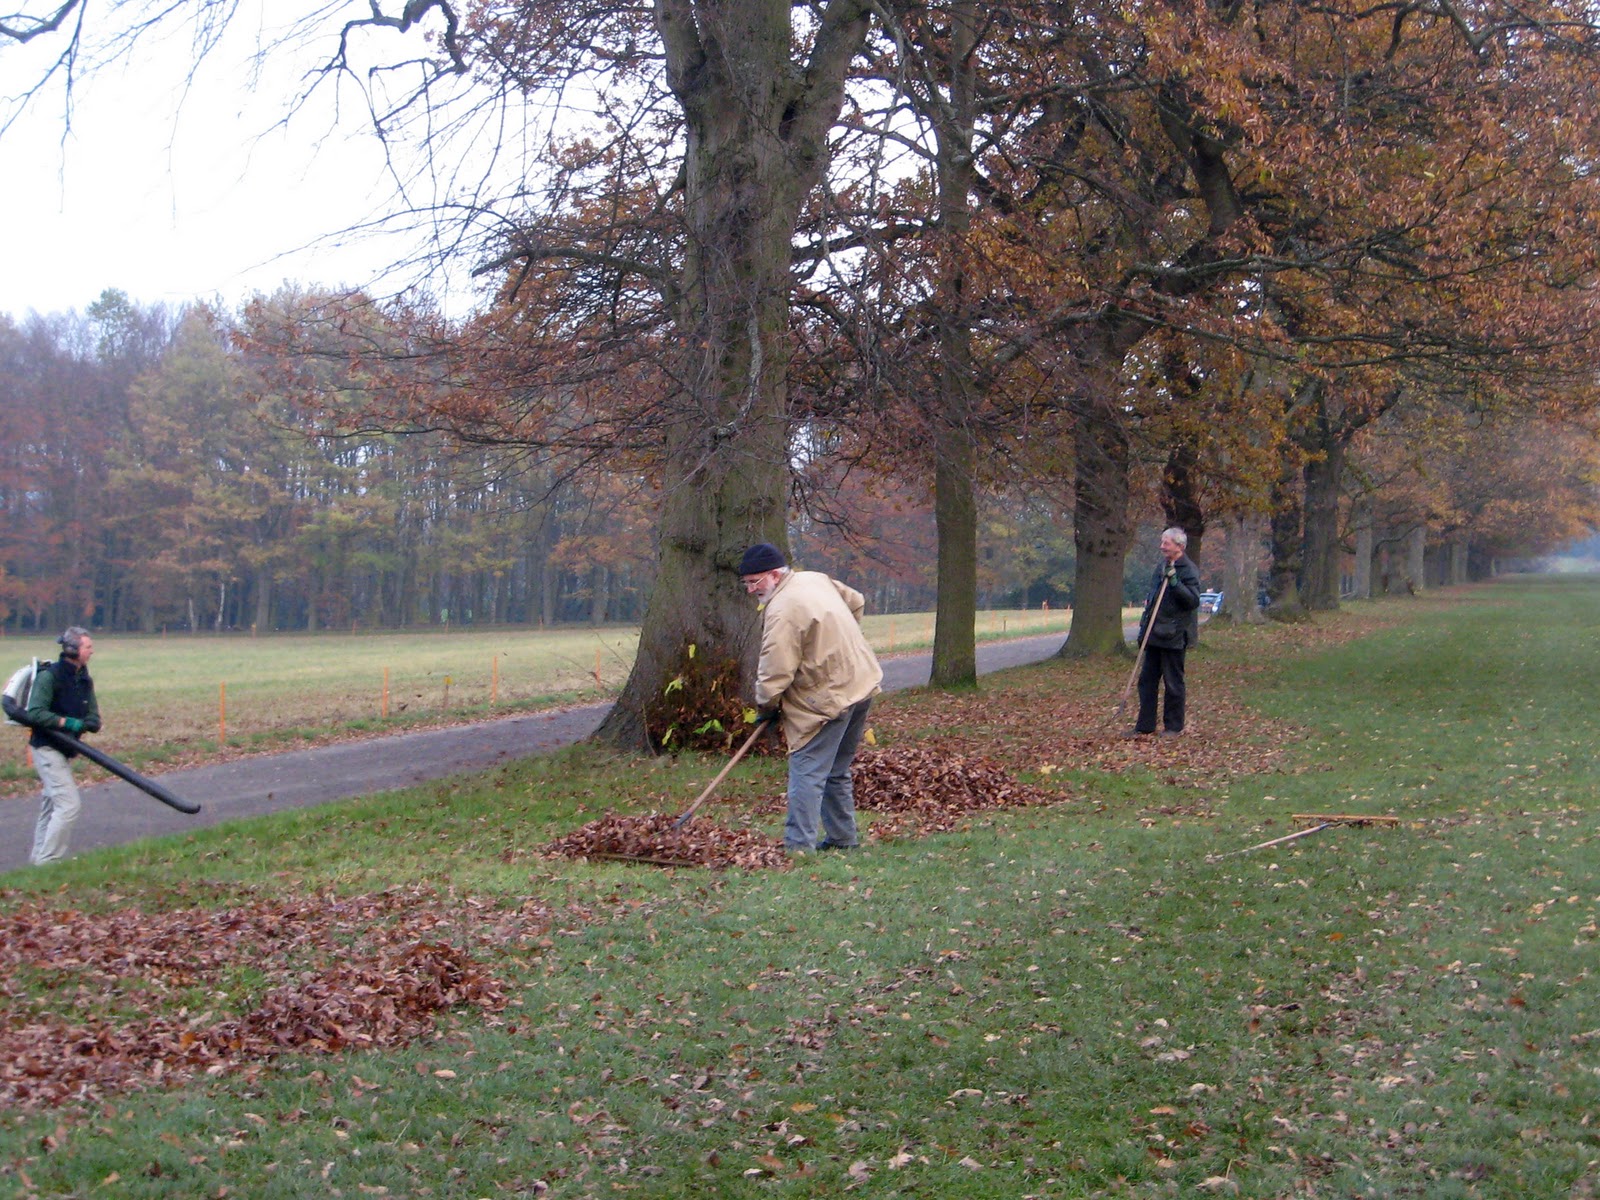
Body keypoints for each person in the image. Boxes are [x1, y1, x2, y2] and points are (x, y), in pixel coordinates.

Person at [739, 542, 883, 854]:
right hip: (861, 682)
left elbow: (774, 669)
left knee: (807, 770)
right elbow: (856, 602)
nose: (751, 590)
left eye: (756, 581)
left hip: (827, 699)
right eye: (747, 583)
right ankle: (843, 839)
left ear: (776, 575)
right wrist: (837, 643)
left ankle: (798, 847)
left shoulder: (781, 611)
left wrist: (766, 705)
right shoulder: (815, 578)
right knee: (835, 770)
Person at [25, 626, 102, 865]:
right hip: (46, 748)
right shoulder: (50, 676)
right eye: (87, 647)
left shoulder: (83, 679)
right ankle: (50, 860)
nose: (92, 651)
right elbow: (35, 713)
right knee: (68, 805)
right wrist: (66, 722)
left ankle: (38, 860)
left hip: (65, 750)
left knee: (51, 806)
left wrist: (90, 722)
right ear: (72, 649)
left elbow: (93, 715)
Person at [1131, 527, 1202, 737]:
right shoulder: (1161, 566)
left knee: (1173, 683)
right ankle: (1145, 726)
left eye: (1166, 543)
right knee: (1147, 681)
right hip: (1154, 634)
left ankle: (1173, 727)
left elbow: (1193, 601)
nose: (1162, 546)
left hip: (1174, 636)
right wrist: (1144, 629)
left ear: (1179, 546)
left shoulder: (1188, 569)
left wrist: (1175, 583)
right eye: (1162, 542)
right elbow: (1153, 600)